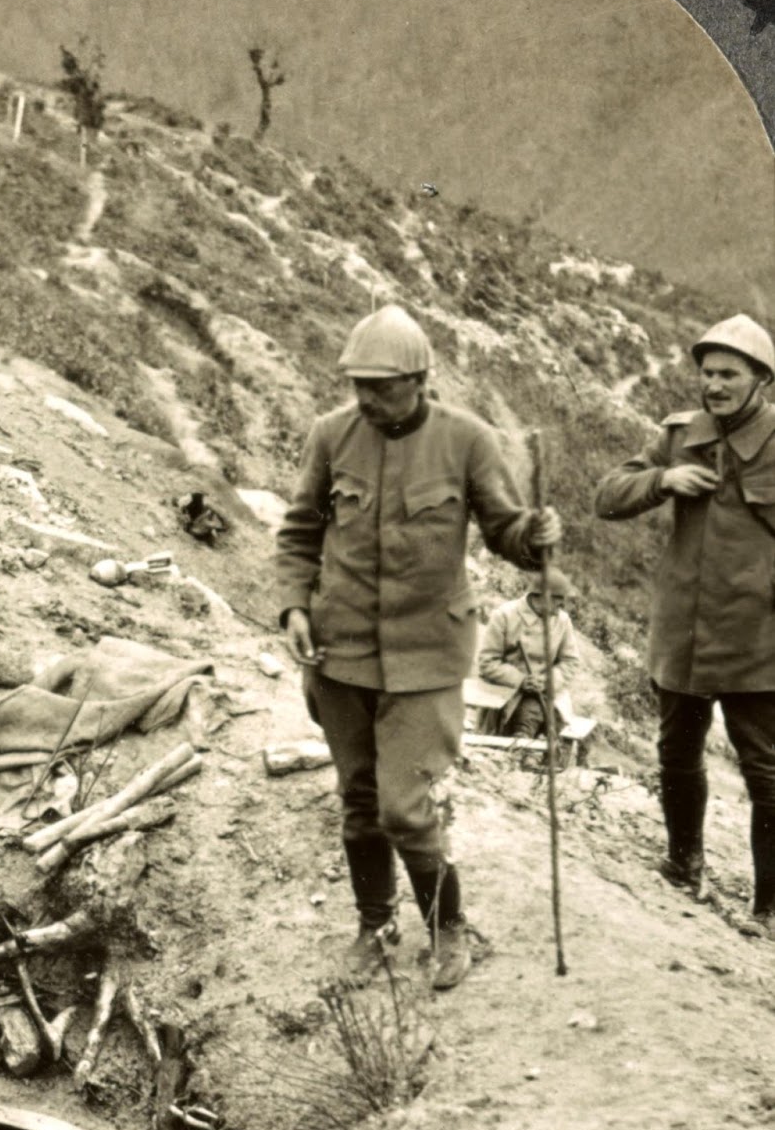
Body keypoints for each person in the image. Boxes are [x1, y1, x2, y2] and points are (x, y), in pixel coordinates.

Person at [277, 303, 562, 989]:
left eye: (381, 386)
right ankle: (374, 929)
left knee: (405, 807)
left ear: (418, 379)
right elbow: (297, 533)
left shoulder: (467, 441)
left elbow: (503, 531)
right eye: (358, 386)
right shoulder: (329, 436)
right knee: (356, 800)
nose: (366, 399)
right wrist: (291, 605)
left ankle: (446, 928)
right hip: (339, 652)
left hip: (427, 656)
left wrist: (533, 536)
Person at [594, 313, 775, 937]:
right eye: (707, 373)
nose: (715, 385)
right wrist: (662, 479)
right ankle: (682, 864)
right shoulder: (679, 436)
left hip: (759, 638)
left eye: (730, 374)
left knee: (766, 771)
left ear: (762, 381)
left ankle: (770, 908)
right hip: (684, 633)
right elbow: (607, 495)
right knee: (677, 753)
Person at [478, 569, 579, 738]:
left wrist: (548, 681)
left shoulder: (562, 621)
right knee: (521, 718)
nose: (562, 607)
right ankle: (523, 744)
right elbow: (487, 662)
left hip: (546, 692)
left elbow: (570, 662)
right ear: (543, 596)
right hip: (508, 690)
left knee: (551, 719)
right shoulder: (504, 616)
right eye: (559, 600)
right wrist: (520, 680)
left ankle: (532, 747)